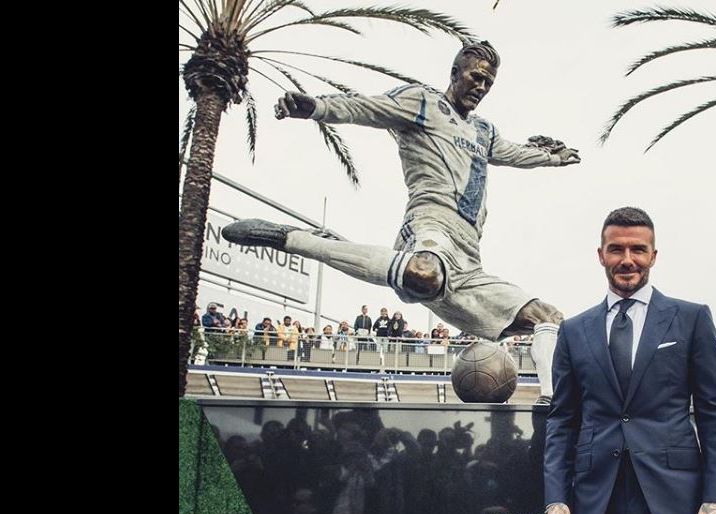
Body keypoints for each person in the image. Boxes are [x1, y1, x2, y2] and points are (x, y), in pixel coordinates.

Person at [222, 40, 580, 403]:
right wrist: (317, 107)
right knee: (424, 273)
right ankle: (298, 239)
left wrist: (553, 157)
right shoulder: (423, 103)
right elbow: (368, 107)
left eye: (489, 83)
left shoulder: (485, 132)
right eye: (476, 77)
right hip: (429, 227)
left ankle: (552, 404)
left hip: (469, 256)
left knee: (548, 316)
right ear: (455, 73)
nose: (481, 87)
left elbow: (514, 154)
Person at [543, 207, 716, 514]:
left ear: (653, 255)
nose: (627, 260)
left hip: (675, 509)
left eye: (638, 250)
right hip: (595, 510)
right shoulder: (573, 330)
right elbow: (562, 420)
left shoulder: (692, 319)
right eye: (616, 249)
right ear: (600, 255)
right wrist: (555, 500)